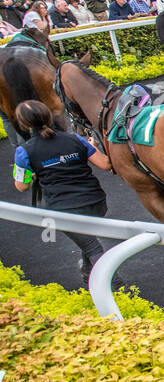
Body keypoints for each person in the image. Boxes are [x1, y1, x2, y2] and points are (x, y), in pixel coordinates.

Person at [10, 101, 112, 284]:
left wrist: (33, 174)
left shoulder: (23, 152)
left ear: (23, 125)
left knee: (92, 247)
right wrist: (93, 146)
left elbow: (21, 186)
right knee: (87, 241)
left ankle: (118, 288)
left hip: (64, 210)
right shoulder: (75, 139)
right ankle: (88, 271)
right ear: (49, 117)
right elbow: (105, 164)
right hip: (97, 202)